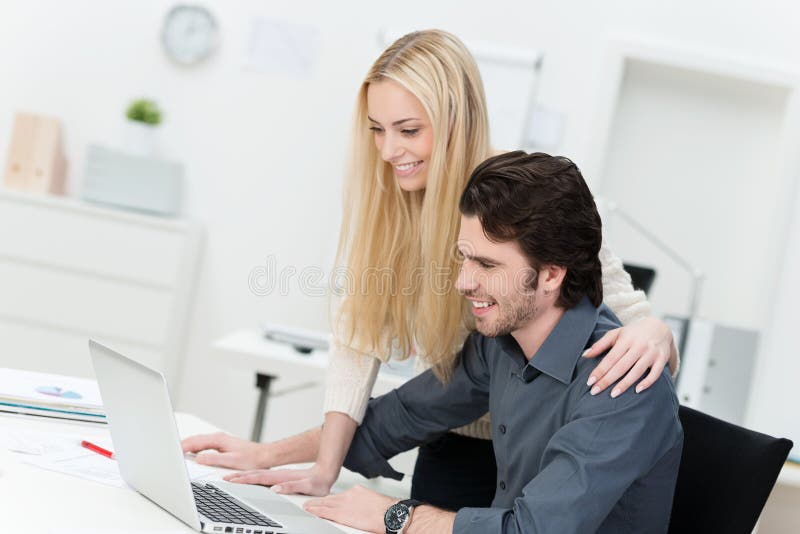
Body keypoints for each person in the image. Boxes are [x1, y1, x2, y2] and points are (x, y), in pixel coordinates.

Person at [182, 30, 679, 510]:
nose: (389, 150)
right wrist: (318, 469)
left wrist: (656, 332)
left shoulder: (517, 194)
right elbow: (360, 344)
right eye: (377, 130)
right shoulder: (390, 201)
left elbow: (609, 297)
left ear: (455, 121)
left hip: (539, 440)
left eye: (409, 130)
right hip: (453, 436)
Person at [300, 151, 683, 534]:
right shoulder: (503, 345)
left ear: (550, 274)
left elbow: (530, 531)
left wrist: (396, 516)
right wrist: (262, 458)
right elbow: (398, 418)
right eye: (464, 258)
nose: (462, 282)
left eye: (487, 265)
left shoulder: (619, 385)